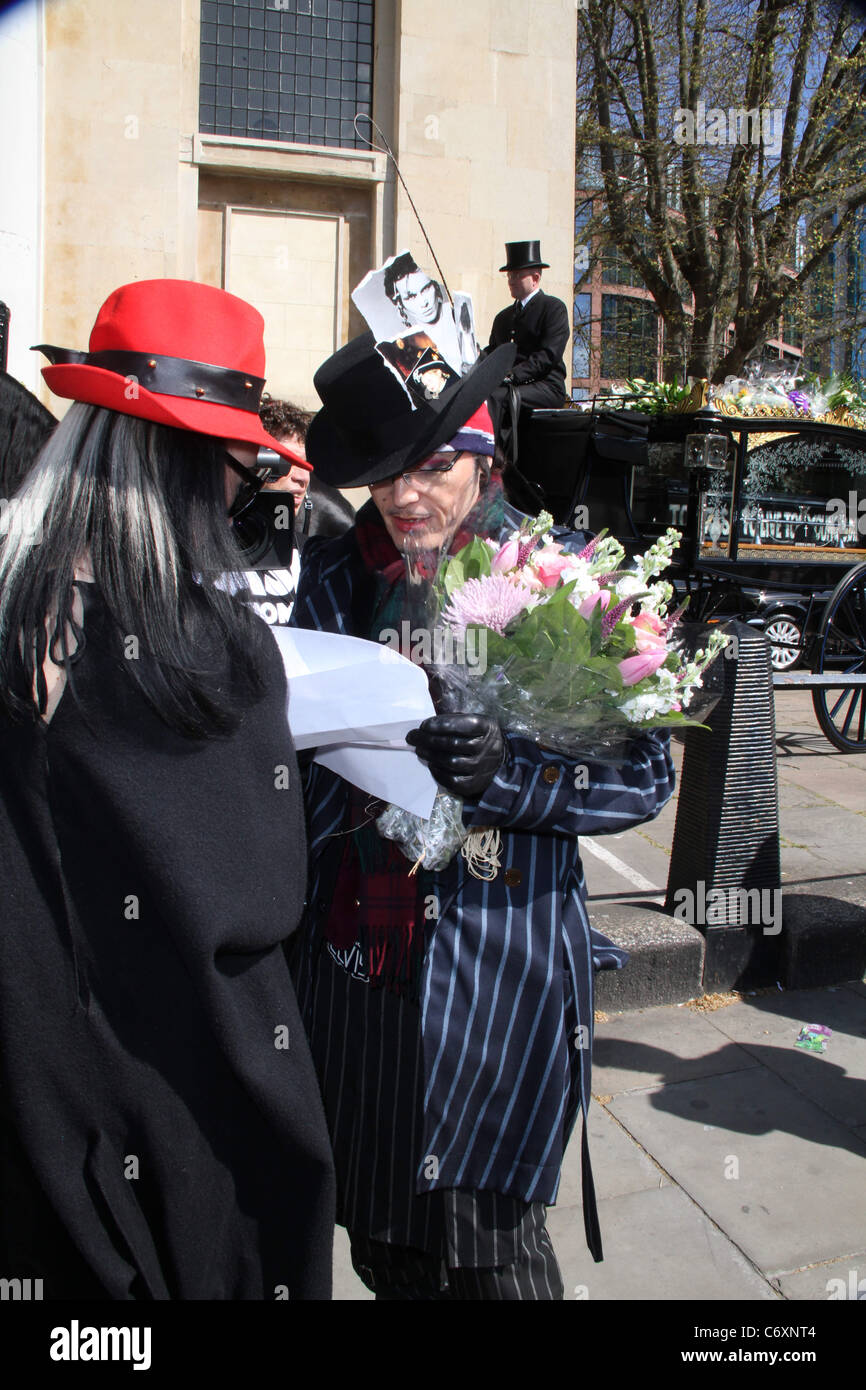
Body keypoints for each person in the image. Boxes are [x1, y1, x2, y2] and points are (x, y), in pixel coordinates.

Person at [290, 331, 676, 1300]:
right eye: (384, 476)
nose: (405, 498)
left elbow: (644, 774)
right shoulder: (334, 577)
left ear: (481, 455)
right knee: (385, 1249)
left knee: (493, 1265)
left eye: (429, 467)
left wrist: (510, 771)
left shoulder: (563, 571)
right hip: (355, 980)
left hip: (492, 994)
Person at [0, 279, 335, 1299]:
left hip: (32, 1081)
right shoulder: (217, 655)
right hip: (185, 1090)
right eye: (238, 469)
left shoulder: (17, 612)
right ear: (195, 463)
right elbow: (264, 891)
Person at [229, 398, 355, 628]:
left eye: (306, 465)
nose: (303, 477)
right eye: (287, 461)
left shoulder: (314, 557)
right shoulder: (206, 545)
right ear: (255, 463)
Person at [486, 240, 570, 432]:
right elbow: (492, 353)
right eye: (509, 275)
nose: (511, 280)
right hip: (511, 386)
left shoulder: (553, 308)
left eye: (517, 275)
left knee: (496, 397)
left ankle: (494, 457)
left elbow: (548, 356)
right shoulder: (503, 318)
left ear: (535, 278)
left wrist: (511, 376)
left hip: (546, 386)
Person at [383, 252, 445, 328]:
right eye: (411, 297)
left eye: (426, 289)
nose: (423, 303)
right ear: (400, 303)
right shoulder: (400, 338)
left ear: (435, 285)